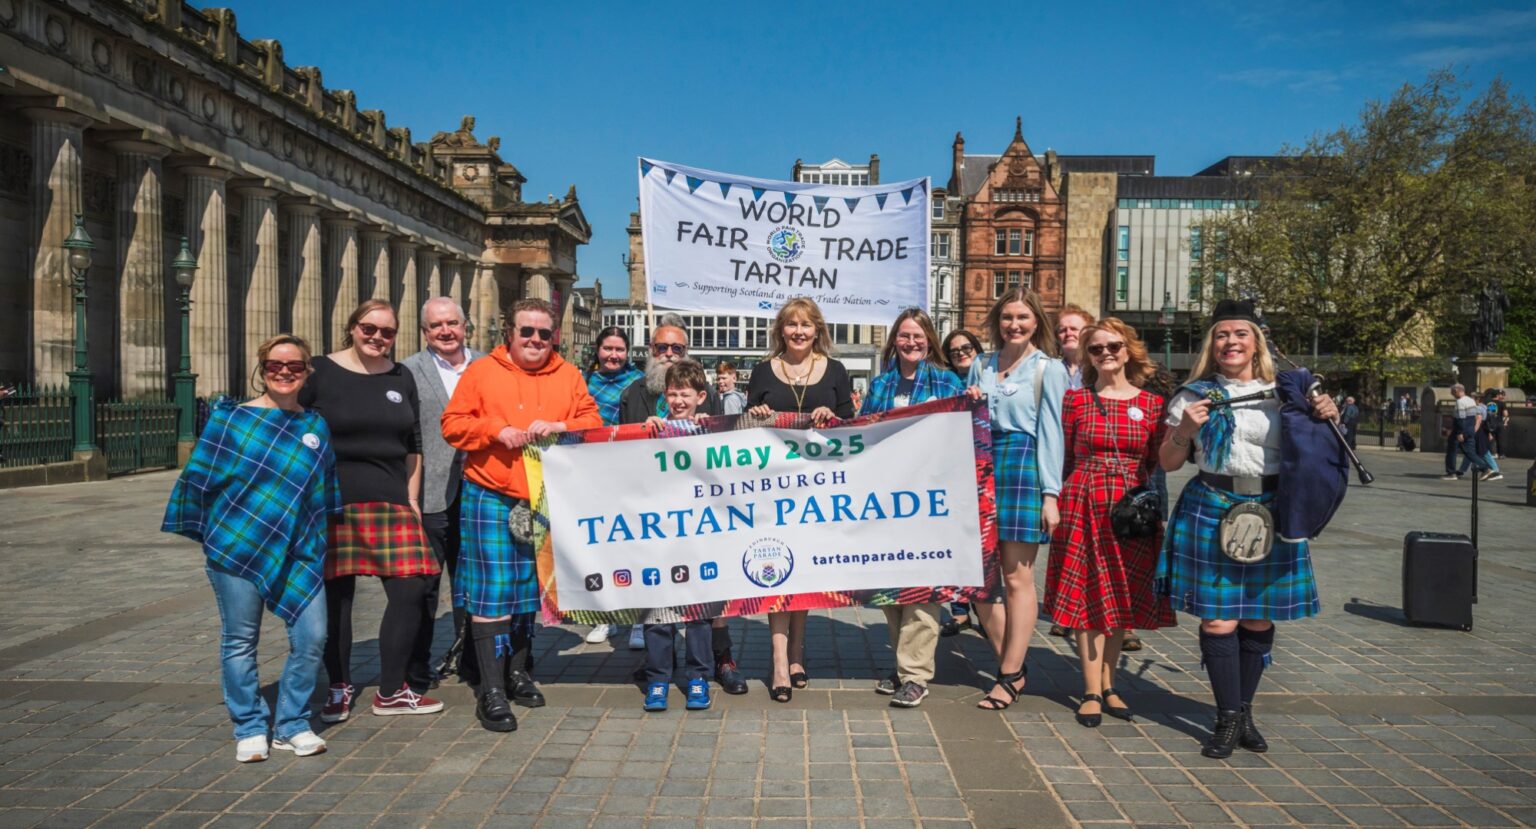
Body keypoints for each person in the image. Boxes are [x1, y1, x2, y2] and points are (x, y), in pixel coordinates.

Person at [1159, 299, 1337, 759]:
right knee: (1219, 620)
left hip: (1274, 508)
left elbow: (1319, 448)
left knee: (1258, 617)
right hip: (1212, 504)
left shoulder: (1289, 392)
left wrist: (1327, 415)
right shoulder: (1194, 395)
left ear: (1256, 342)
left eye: (1240, 334)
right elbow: (1168, 462)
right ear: (1212, 345)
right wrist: (1183, 430)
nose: (1230, 342)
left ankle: (1243, 711)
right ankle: (1227, 718)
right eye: (1222, 335)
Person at [163, 334, 337, 762]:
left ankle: (292, 723)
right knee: (240, 640)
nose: (284, 372)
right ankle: (250, 725)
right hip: (238, 546)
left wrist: (318, 538)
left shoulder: (315, 425)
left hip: (298, 550)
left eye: (295, 366)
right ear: (262, 368)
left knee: (313, 636)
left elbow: (324, 491)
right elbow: (197, 481)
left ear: (307, 372)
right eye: (275, 365)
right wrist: (218, 533)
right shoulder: (231, 420)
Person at [442, 298, 603, 732]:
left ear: (554, 337)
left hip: (544, 497)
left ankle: (518, 673)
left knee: (530, 589)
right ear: (509, 333)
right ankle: (491, 690)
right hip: (491, 493)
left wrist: (560, 426)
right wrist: (495, 430)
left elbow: (592, 419)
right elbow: (452, 424)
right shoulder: (481, 372)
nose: (535, 339)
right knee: (493, 592)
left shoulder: (568, 374)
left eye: (543, 333)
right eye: (526, 331)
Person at [301, 300, 444, 722]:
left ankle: (392, 690)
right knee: (336, 596)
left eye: (387, 332)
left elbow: (414, 443)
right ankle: (339, 687)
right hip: (332, 499)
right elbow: (290, 425)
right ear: (352, 327)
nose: (377, 337)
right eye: (369, 328)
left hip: (391, 498)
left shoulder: (401, 375)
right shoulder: (319, 371)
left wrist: (412, 499)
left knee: (412, 587)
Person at [1044, 319, 1174, 728]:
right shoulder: (1076, 400)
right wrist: (1053, 501)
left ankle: (1109, 684)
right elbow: (1063, 457)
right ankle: (1090, 690)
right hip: (1084, 502)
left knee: (1120, 597)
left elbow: (1154, 463)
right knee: (1087, 596)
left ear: (1128, 349)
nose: (1106, 354)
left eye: (1113, 346)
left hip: (1131, 511)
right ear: (1087, 356)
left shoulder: (1152, 404)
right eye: (1096, 349)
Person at [617, 316, 748, 695]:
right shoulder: (634, 394)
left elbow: (730, 446)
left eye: (677, 348)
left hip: (703, 519)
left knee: (707, 598)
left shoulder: (708, 394)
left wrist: (711, 427)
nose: (669, 354)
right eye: (662, 347)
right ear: (651, 350)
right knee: (659, 595)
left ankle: (717, 661)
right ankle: (658, 666)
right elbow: (619, 451)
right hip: (657, 518)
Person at [746, 297, 856, 702]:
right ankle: (779, 660)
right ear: (781, 330)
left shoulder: (836, 370)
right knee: (776, 564)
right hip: (772, 487)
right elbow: (745, 427)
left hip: (817, 488)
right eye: (791, 324)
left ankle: (797, 652)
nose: (798, 331)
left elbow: (851, 427)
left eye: (805, 325)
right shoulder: (762, 370)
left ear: (817, 330)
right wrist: (757, 413)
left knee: (804, 570)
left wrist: (832, 416)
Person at [964, 288, 1066, 711]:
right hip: (981, 464)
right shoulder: (980, 364)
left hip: (1023, 464)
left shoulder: (1049, 369)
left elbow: (1053, 432)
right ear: (997, 321)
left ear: (1036, 321)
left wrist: (1050, 494)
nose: (1014, 325)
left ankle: (1007, 674)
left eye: (1022, 317)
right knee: (977, 579)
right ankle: (1015, 665)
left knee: (1017, 578)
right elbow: (964, 420)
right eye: (1007, 317)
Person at [864, 308, 966, 708]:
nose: (911, 343)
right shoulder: (880, 384)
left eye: (918, 336)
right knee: (891, 590)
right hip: (888, 498)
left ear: (929, 341)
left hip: (930, 500)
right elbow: (863, 433)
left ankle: (916, 674)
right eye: (904, 336)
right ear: (895, 341)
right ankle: (903, 665)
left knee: (923, 589)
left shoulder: (947, 381)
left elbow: (960, 435)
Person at [402, 298, 483, 687]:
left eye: (452, 323)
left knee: (474, 581)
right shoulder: (407, 371)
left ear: (465, 326)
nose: (445, 331)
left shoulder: (489, 365)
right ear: (425, 332)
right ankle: (417, 665)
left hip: (482, 491)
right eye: (436, 325)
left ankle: (473, 660)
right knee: (426, 585)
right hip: (432, 493)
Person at [640, 360, 718, 713]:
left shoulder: (711, 431)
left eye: (685, 394)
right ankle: (658, 678)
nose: (678, 401)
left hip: (699, 536)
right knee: (658, 610)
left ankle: (698, 676)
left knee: (698, 612)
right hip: (660, 536)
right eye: (672, 394)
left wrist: (714, 431)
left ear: (700, 396)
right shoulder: (653, 429)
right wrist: (645, 431)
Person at [581, 326, 643, 645]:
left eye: (619, 349)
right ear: (598, 350)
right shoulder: (583, 382)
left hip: (632, 472)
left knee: (635, 546)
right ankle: (606, 617)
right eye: (608, 349)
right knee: (602, 547)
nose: (613, 355)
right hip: (594, 473)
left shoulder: (639, 382)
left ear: (627, 352)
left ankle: (639, 619)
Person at [1048, 304, 1095, 642]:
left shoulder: (1100, 366)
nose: (1067, 333)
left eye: (1074, 328)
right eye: (1062, 329)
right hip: (1059, 462)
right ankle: (1067, 611)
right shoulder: (1050, 369)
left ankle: (1117, 620)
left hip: (1091, 461)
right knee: (1067, 542)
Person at [939, 329, 986, 639]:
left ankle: (983, 607)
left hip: (982, 470)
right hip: (952, 471)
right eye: (954, 350)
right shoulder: (947, 383)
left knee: (981, 546)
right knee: (954, 542)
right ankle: (959, 610)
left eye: (966, 347)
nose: (961, 353)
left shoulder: (990, 379)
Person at [1441, 384, 1488, 481]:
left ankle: (1451, 473)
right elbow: (1474, 416)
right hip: (1470, 429)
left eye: (1452, 391)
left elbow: (1461, 418)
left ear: (1457, 390)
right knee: (1470, 452)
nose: (1451, 394)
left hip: (1460, 430)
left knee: (1451, 450)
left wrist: (1460, 432)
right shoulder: (1471, 400)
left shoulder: (1460, 402)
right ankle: (1486, 469)